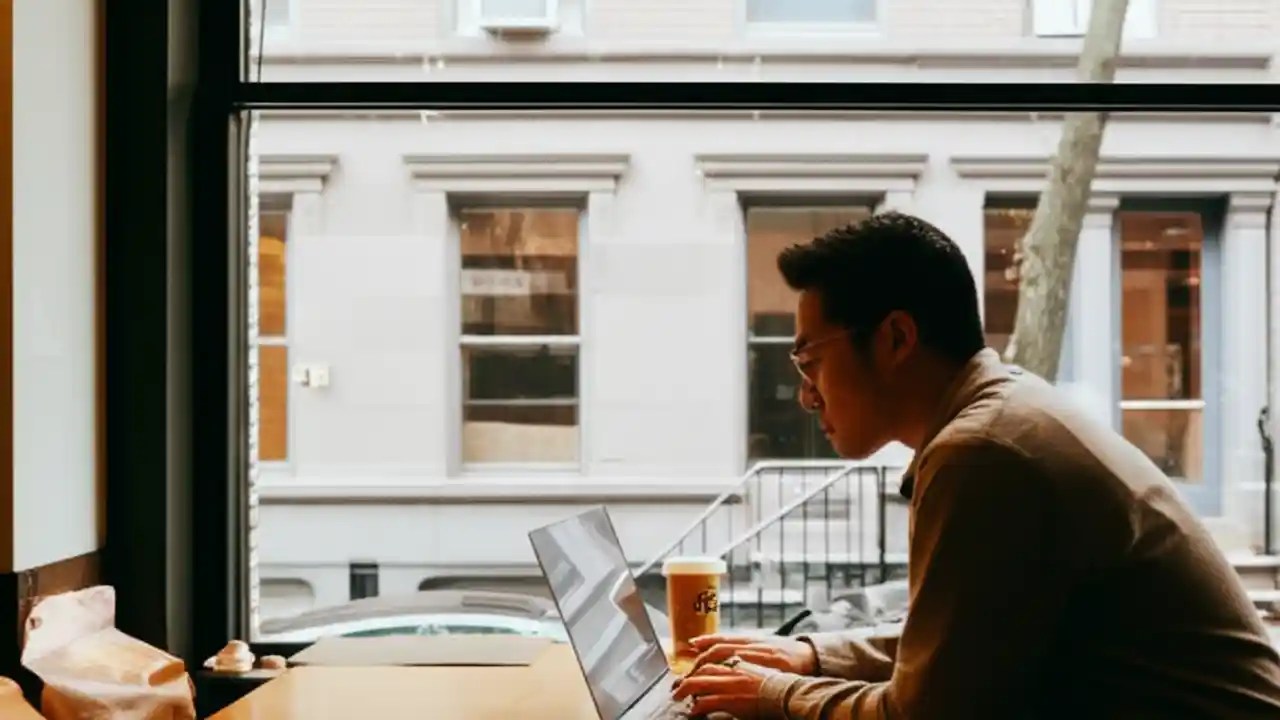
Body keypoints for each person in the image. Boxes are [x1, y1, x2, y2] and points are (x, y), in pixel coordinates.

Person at [672, 212, 1280, 718]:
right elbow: (966, 644)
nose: (807, 396)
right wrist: (812, 656)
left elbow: (922, 714)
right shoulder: (1003, 412)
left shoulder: (983, 453)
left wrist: (775, 695)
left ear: (896, 338)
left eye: (810, 363)